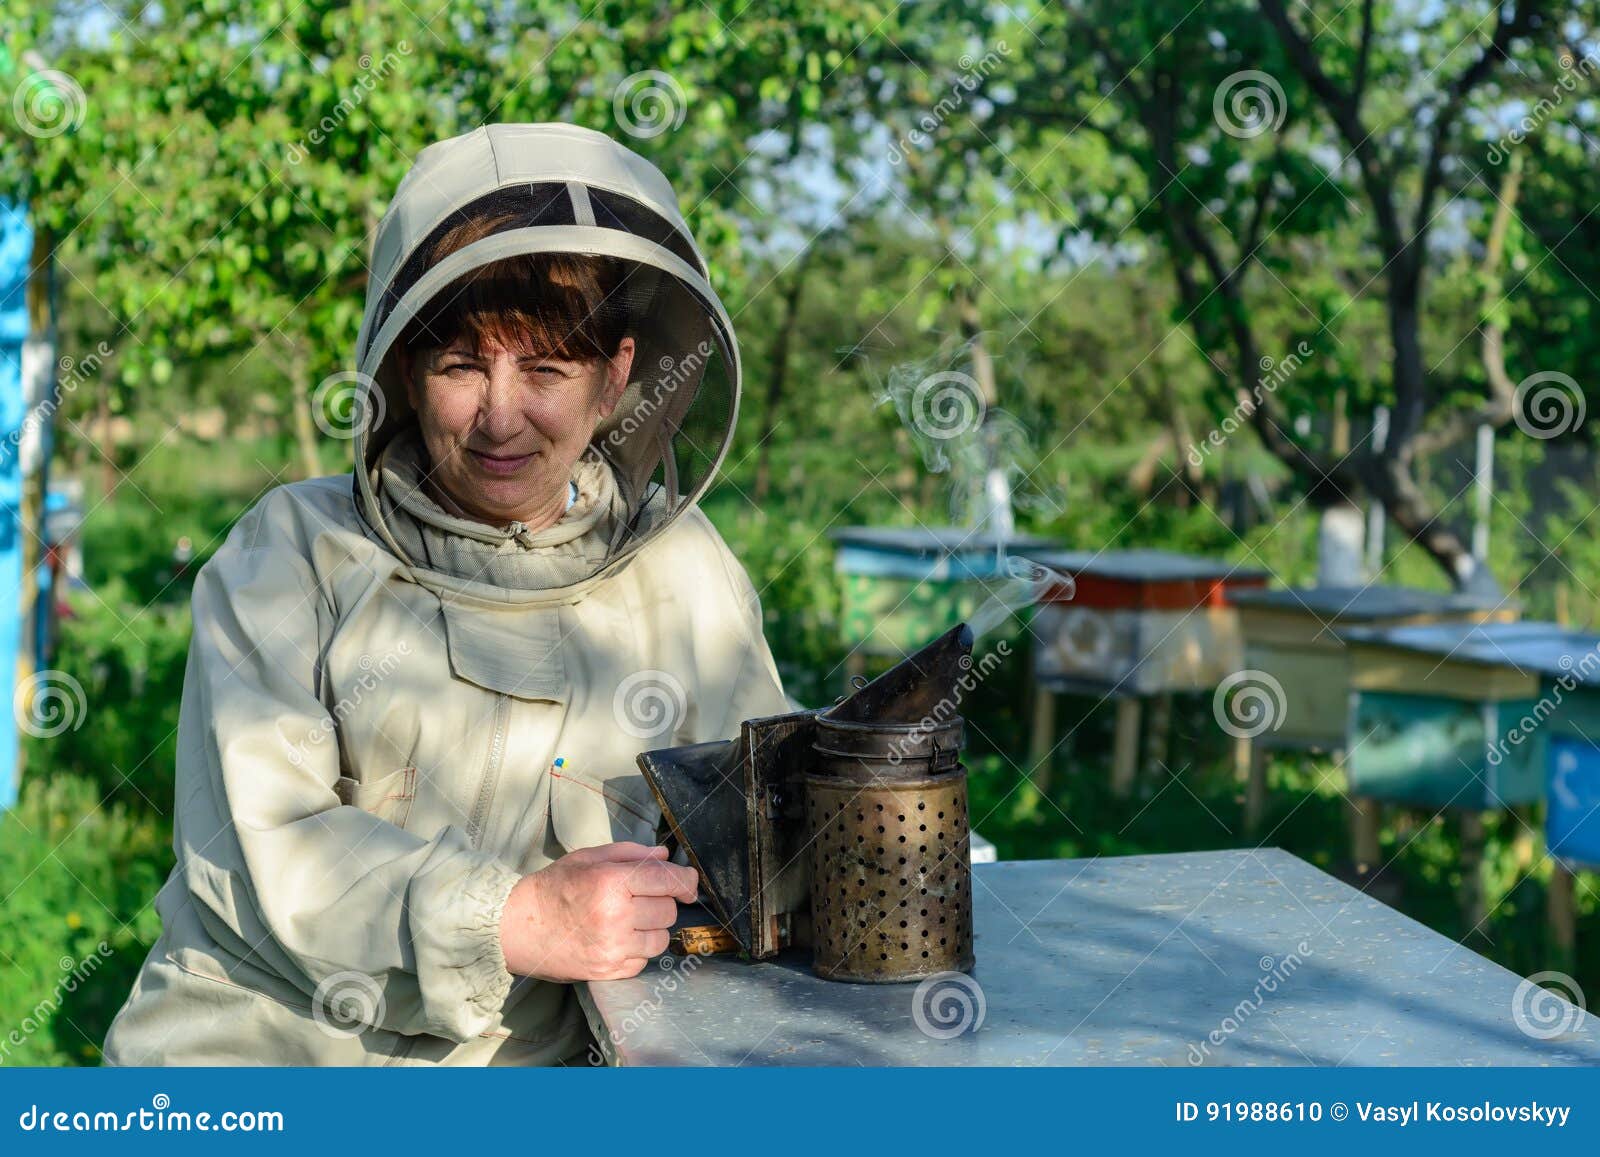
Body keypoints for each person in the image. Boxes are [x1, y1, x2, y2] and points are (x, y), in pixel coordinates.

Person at [101, 123, 791, 1065]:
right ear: (405, 375)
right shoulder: (292, 552)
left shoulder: (682, 570)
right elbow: (266, 844)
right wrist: (512, 916)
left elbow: (758, 833)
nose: (501, 415)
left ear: (615, 376)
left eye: (547, 369)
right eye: (462, 365)